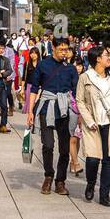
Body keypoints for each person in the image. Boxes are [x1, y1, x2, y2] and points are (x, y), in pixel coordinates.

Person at [77, 44, 110, 207]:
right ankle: (91, 183)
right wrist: (88, 120)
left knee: (109, 159)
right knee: (92, 159)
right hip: (93, 124)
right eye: (106, 55)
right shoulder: (85, 77)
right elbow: (80, 101)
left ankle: (104, 194)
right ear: (98, 59)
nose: (109, 57)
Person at [27, 37, 77, 194]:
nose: (64, 52)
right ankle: (48, 175)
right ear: (53, 48)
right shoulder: (43, 65)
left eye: (66, 49)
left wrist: (79, 113)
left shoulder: (71, 69)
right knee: (48, 145)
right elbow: (35, 88)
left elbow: (76, 93)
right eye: (61, 49)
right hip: (46, 107)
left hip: (65, 109)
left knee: (64, 148)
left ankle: (60, 181)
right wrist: (30, 111)